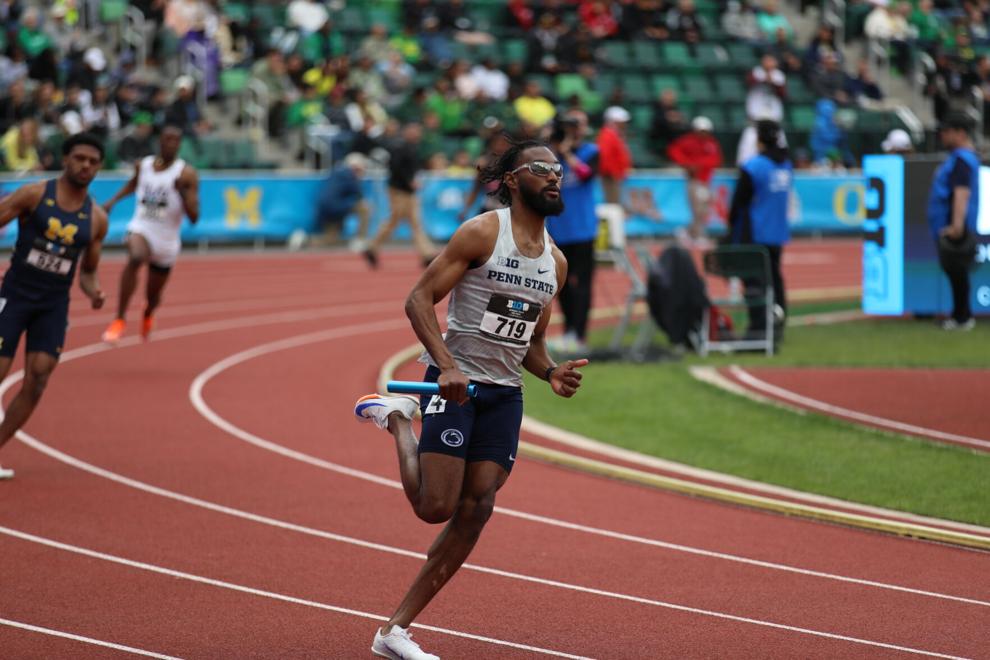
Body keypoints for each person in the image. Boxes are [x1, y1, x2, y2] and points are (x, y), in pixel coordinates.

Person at [352, 136, 587, 660]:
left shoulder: (556, 263)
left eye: (558, 171)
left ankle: (394, 631)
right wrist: (449, 366)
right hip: (453, 385)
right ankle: (397, 422)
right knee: (435, 506)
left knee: (477, 506)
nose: (553, 177)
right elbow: (418, 300)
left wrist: (551, 372)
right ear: (511, 180)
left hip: (504, 395)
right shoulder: (483, 232)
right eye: (540, 169)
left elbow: (532, 341)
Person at [0, 132, 108, 480]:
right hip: (15, 295)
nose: (85, 166)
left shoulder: (96, 219)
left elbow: (88, 271)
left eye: (92, 162)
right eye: (79, 158)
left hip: (52, 305)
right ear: (65, 159)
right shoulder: (35, 193)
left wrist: (94, 293)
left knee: (39, 378)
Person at [101, 124, 200, 343]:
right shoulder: (143, 165)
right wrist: (113, 201)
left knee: (153, 295)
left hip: (167, 240)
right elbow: (132, 185)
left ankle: (148, 313)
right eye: (167, 139)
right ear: (159, 141)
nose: (171, 143)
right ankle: (119, 319)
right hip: (142, 227)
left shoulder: (186, 174)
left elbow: (194, 217)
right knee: (136, 257)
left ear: (180, 145)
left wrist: (182, 192)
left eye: (176, 140)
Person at [727, 119, 792, 341]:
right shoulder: (786, 165)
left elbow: (738, 204)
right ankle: (778, 326)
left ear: (758, 140)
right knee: (776, 281)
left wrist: (731, 230)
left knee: (755, 284)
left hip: (756, 232)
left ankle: (758, 329)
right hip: (778, 232)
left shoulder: (754, 166)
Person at [546, 111, 600, 354]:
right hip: (558, 229)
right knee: (562, 285)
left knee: (583, 284)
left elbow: (587, 174)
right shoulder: (551, 156)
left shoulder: (591, 151)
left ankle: (580, 335)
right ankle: (569, 332)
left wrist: (568, 152)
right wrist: (554, 147)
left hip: (583, 229)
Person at [927, 112, 979, 330]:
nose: (943, 136)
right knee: (955, 272)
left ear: (960, 133)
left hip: (952, 224)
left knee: (957, 271)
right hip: (948, 222)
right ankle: (959, 315)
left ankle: (962, 317)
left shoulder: (961, 160)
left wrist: (956, 225)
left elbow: (961, 193)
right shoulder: (960, 158)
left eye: (947, 132)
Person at [363, 122, 436, 269]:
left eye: (418, 131)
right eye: (413, 131)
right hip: (399, 191)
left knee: (414, 222)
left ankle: (427, 254)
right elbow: (395, 168)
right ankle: (371, 247)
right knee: (395, 221)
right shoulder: (400, 146)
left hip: (408, 191)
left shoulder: (412, 147)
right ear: (406, 132)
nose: (417, 134)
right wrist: (409, 181)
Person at [667, 116, 723, 244]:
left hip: (706, 180)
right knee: (697, 208)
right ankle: (696, 235)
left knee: (704, 209)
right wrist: (687, 164)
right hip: (694, 180)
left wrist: (699, 165)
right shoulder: (688, 141)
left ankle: (689, 232)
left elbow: (716, 159)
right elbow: (674, 151)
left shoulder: (711, 143)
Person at [313, 151, 370, 249]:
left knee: (331, 240)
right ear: (355, 167)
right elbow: (359, 194)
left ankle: (303, 240)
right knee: (365, 208)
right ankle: (359, 240)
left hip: (325, 209)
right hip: (336, 207)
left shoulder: (336, 171)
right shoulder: (349, 174)